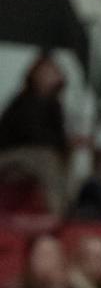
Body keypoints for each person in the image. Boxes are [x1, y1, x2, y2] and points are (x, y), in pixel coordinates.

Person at [0, 52, 71, 217]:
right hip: (10, 155)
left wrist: (69, 145)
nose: (50, 76)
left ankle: (66, 207)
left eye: (53, 72)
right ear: (34, 74)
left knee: (59, 157)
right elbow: (33, 137)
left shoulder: (54, 105)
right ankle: (57, 213)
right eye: (45, 72)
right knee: (46, 157)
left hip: (31, 158)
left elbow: (58, 140)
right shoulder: (25, 101)